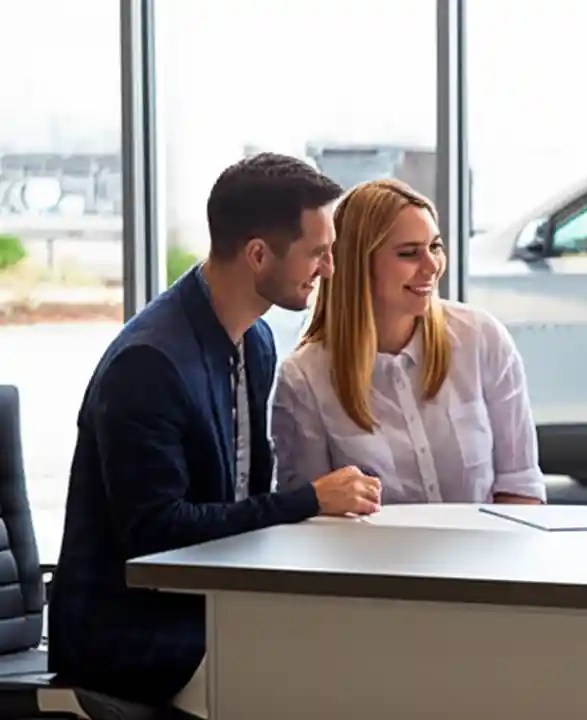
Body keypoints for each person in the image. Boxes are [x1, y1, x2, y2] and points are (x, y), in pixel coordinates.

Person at [48, 153, 383, 712]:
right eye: (318, 253)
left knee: (355, 649)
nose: (328, 268)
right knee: (319, 682)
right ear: (258, 254)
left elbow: (239, 501)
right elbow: (157, 531)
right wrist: (305, 501)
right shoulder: (150, 364)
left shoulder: (255, 343)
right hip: (131, 636)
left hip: (210, 607)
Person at [272, 178, 545, 505]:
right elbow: (309, 516)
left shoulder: (482, 339)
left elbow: (521, 485)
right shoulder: (304, 379)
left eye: (435, 247)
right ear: (358, 264)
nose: (432, 266)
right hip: (369, 557)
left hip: (484, 553)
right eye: (409, 253)